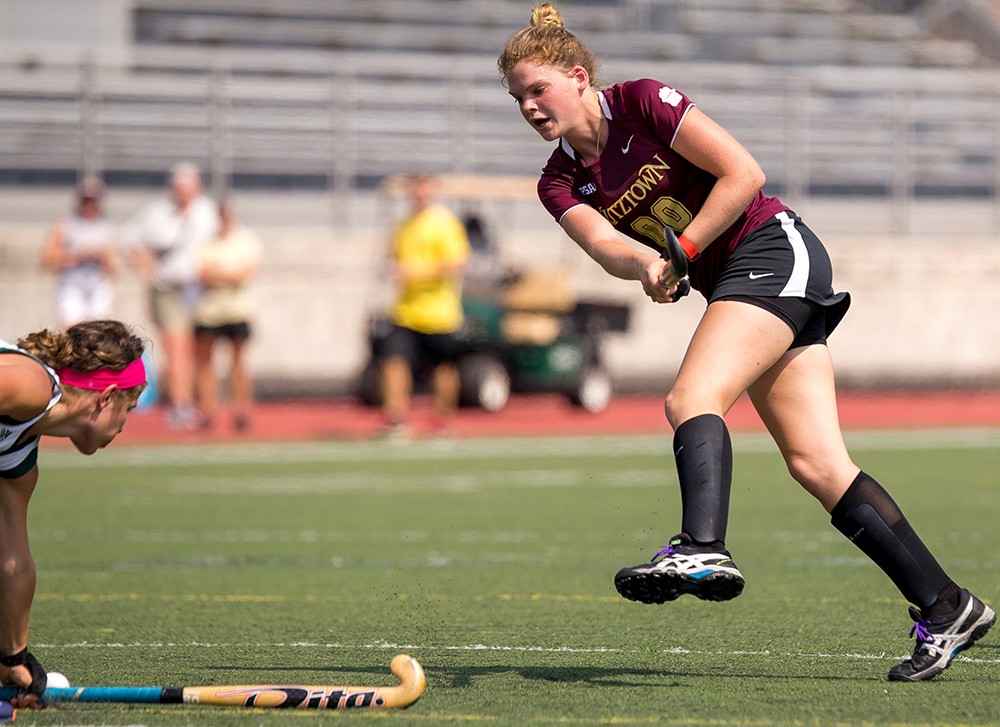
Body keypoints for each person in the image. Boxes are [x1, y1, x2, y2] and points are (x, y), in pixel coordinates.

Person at [497, 3, 993, 682]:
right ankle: (946, 604)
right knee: (818, 464)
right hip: (736, 279)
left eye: (537, 89)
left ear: (578, 77)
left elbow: (744, 173)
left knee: (692, 395)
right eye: (517, 97)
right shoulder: (558, 181)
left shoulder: (641, 103)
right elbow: (605, 242)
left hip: (770, 248)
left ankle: (703, 544)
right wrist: (646, 264)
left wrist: (686, 249)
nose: (528, 106)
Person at [0, 320, 147, 708]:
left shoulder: (17, 452)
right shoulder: (31, 386)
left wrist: (13, 659)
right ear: (107, 397)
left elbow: (12, 562)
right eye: (128, 409)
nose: (123, 426)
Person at [121, 163, 219, 430]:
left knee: (195, 349)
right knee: (176, 346)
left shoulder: (207, 212)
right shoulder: (158, 212)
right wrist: (146, 266)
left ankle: (198, 402)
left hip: (200, 290)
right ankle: (180, 405)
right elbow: (128, 239)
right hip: (168, 288)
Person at [378, 174, 471, 438]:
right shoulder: (402, 224)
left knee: (442, 368)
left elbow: (456, 263)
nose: (418, 193)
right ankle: (395, 419)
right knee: (393, 361)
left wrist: (416, 272)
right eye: (414, 187)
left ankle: (443, 421)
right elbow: (393, 259)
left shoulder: (445, 224)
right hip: (405, 309)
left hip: (439, 312)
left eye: (423, 187)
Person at [193, 200, 263, 432]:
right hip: (210, 311)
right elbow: (203, 273)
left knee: (238, 363)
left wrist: (219, 275)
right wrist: (226, 276)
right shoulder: (206, 241)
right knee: (206, 363)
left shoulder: (245, 240)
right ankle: (207, 411)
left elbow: (244, 274)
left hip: (236, 310)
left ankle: (241, 411)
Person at [40, 176, 116, 328]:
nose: (89, 205)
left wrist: (100, 257)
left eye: (92, 200)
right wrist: (76, 256)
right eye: (85, 200)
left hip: (96, 288)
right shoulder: (65, 224)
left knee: (96, 334)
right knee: (72, 332)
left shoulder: (105, 228)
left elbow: (111, 269)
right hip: (71, 286)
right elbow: (48, 260)